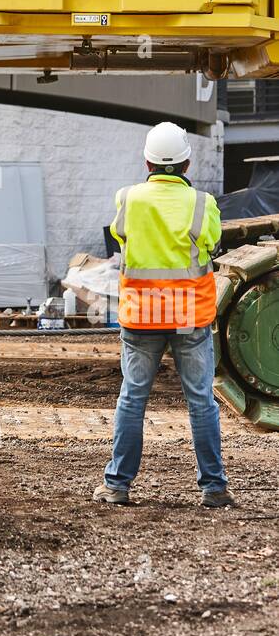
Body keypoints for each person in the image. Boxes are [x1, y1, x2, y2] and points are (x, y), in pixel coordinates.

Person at [94, 121, 234, 508]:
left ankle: (117, 485)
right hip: (189, 317)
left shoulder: (128, 199)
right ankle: (214, 488)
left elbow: (121, 237)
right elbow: (211, 242)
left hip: (141, 318)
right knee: (201, 400)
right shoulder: (203, 203)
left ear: (147, 161)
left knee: (132, 398)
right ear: (187, 164)